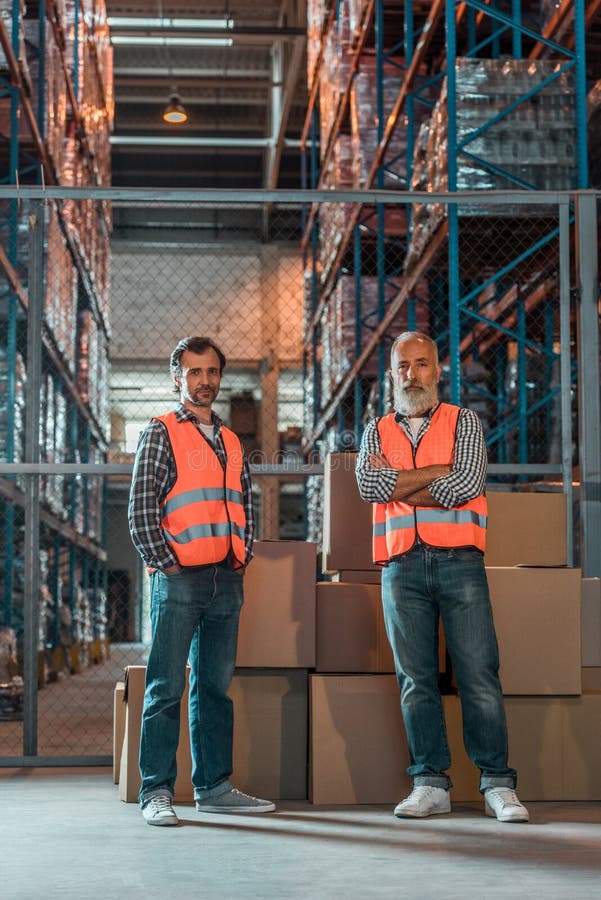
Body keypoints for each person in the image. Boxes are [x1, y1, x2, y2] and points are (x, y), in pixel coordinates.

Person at [355, 331, 529, 824]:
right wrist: (436, 472)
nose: (412, 374)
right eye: (403, 366)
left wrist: (400, 483)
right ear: (392, 374)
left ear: (438, 369)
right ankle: (430, 783)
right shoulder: (375, 430)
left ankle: (497, 784)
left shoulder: (464, 421)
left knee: (478, 675)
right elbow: (370, 485)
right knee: (416, 680)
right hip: (400, 566)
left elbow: (467, 484)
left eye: (422, 364)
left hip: (459, 564)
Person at [129, 335, 275, 825]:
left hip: (225, 580)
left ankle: (213, 786)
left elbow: (245, 504)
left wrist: (242, 556)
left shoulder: (232, 440)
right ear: (178, 378)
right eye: (194, 373)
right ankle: (156, 791)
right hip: (180, 580)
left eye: (211, 372)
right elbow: (140, 509)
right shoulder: (161, 431)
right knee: (165, 687)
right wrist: (165, 563)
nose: (204, 381)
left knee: (214, 687)